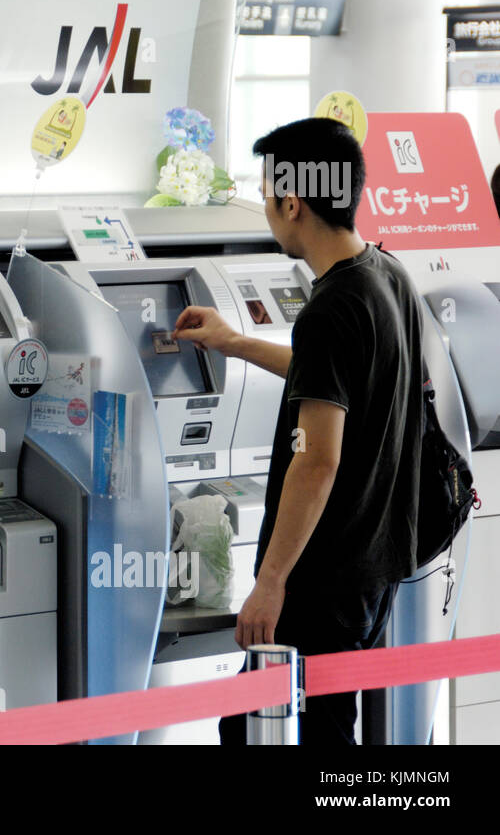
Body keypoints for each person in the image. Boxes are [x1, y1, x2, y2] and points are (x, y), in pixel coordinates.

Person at [172, 117, 423, 745]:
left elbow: (319, 460)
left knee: (291, 736)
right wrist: (236, 343)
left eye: (265, 195)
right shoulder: (388, 276)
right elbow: (337, 385)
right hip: (370, 568)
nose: (266, 210)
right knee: (281, 726)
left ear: (293, 202)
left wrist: (269, 583)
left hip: (320, 582)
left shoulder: (331, 308)